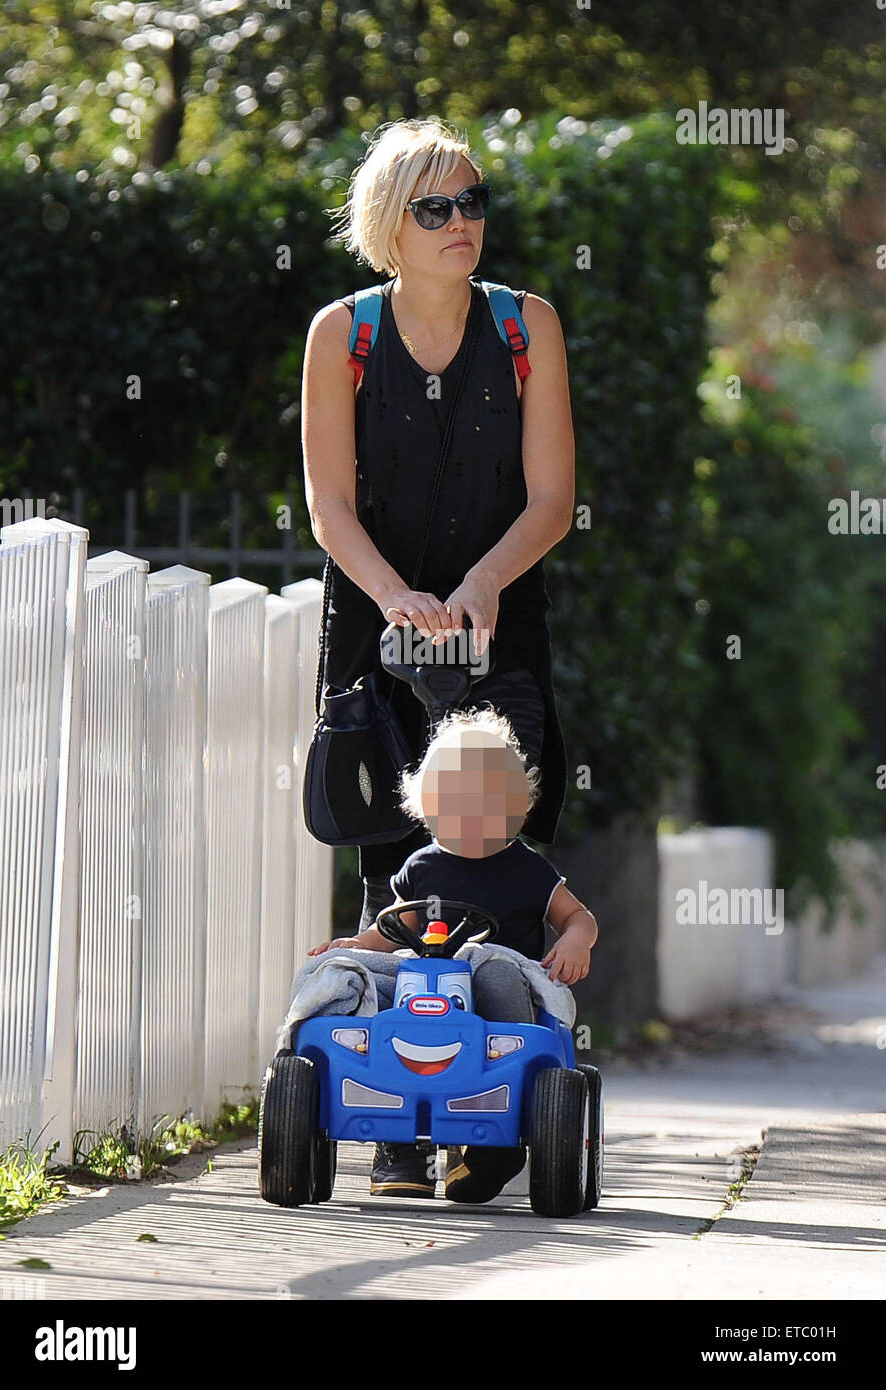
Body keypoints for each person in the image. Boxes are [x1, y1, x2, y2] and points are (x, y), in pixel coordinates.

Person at [301, 115, 577, 1193]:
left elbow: (552, 499)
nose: (463, 223)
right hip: (375, 623)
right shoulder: (343, 334)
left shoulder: (524, 327)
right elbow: (328, 505)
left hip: (499, 620)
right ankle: (398, 1130)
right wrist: (396, 600)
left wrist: (474, 589)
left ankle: (491, 1118)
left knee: (498, 858)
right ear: (390, 224)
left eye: (472, 202)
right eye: (436, 208)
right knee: (391, 867)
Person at [308, 706, 599, 1203]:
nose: (471, 814)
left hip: (494, 1006)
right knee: (370, 984)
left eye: (486, 802)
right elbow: (398, 926)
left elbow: (578, 918)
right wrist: (357, 946)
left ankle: (495, 1129)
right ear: (428, 805)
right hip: (428, 994)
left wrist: (574, 940)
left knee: (498, 971)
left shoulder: (528, 870)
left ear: (516, 805)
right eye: (456, 802)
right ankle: (399, 1145)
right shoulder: (423, 865)